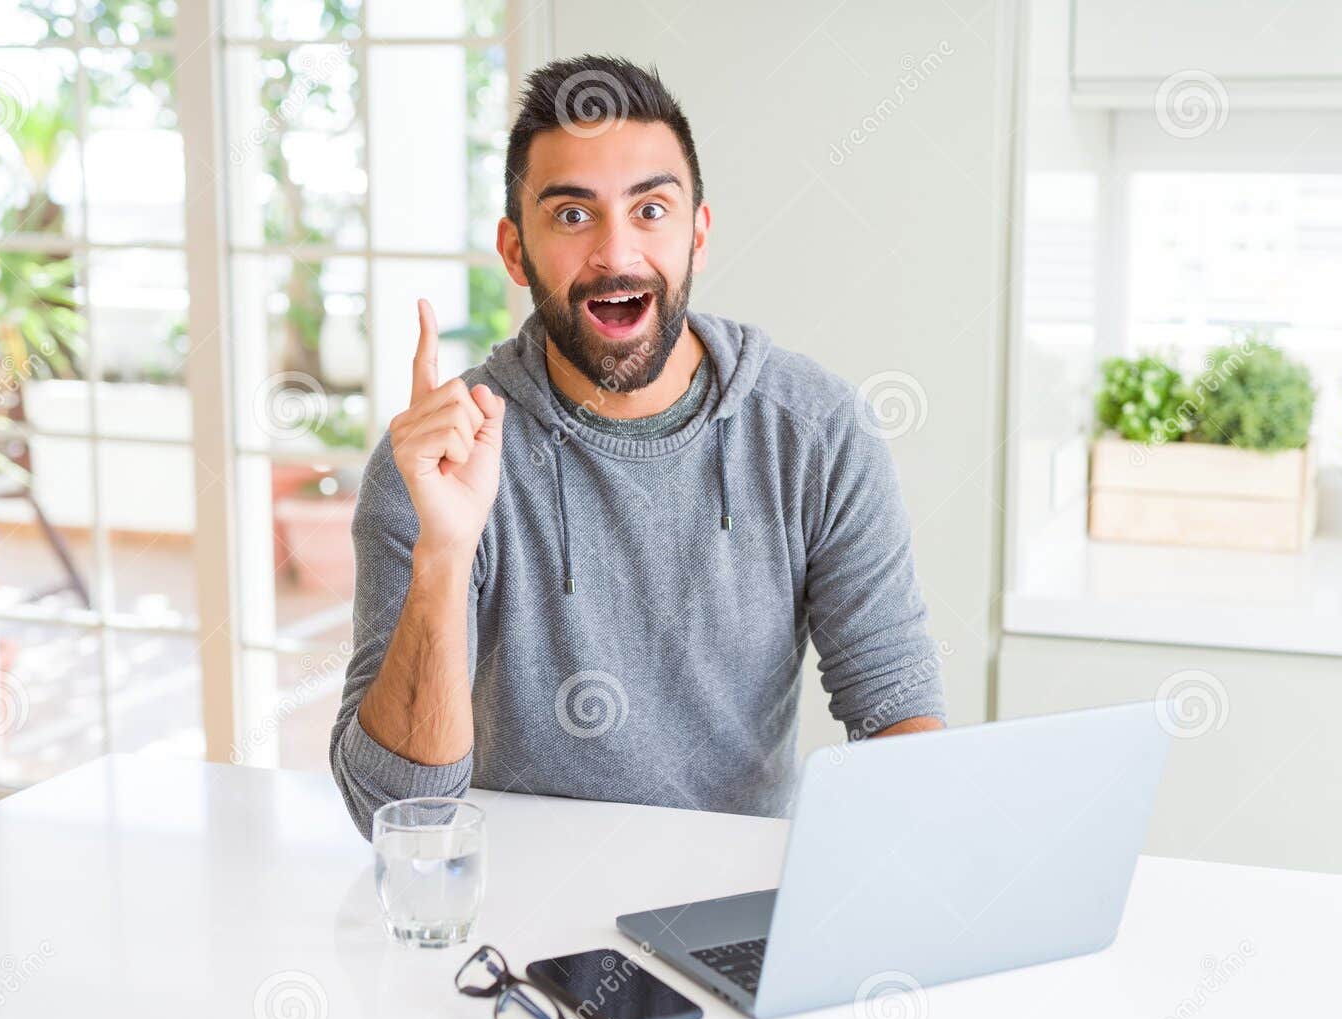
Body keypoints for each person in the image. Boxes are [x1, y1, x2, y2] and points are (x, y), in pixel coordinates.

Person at [329, 55, 944, 836]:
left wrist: (913, 858)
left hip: (733, 893)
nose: (617, 255)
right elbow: (393, 813)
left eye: (651, 210)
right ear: (515, 251)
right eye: (572, 215)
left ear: (698, 235)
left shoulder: (819, 432)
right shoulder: (439, 464)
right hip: (518, 897)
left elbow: (894, 707)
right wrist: (444, 557)